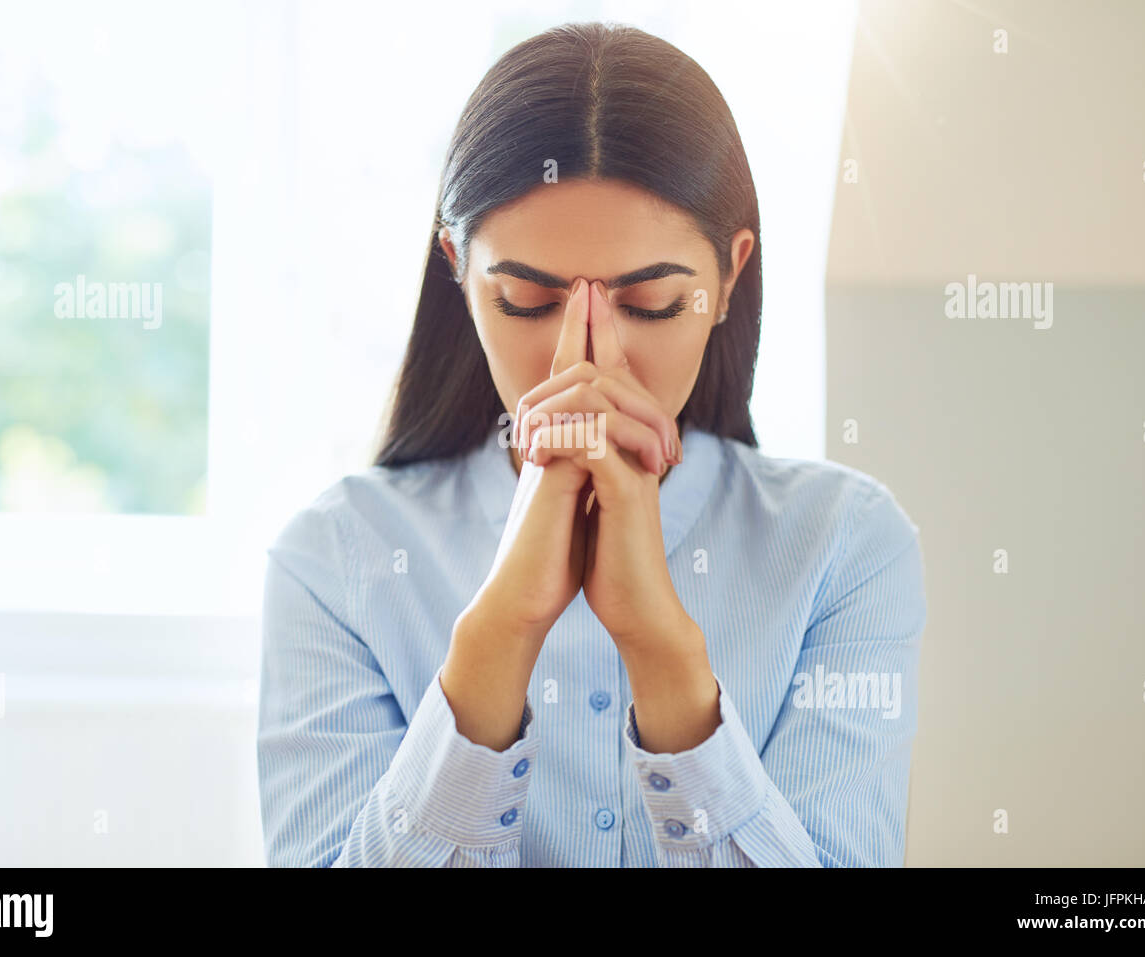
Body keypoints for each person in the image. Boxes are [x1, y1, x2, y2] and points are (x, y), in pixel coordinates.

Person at [257, 21, 926, 867]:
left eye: (650, 303)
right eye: (528, 301)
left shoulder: (845, 544)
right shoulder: (335, 557)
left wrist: (661, 645)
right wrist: (500, 631)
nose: (588, 360)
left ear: (727, 279)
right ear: (459, 275)